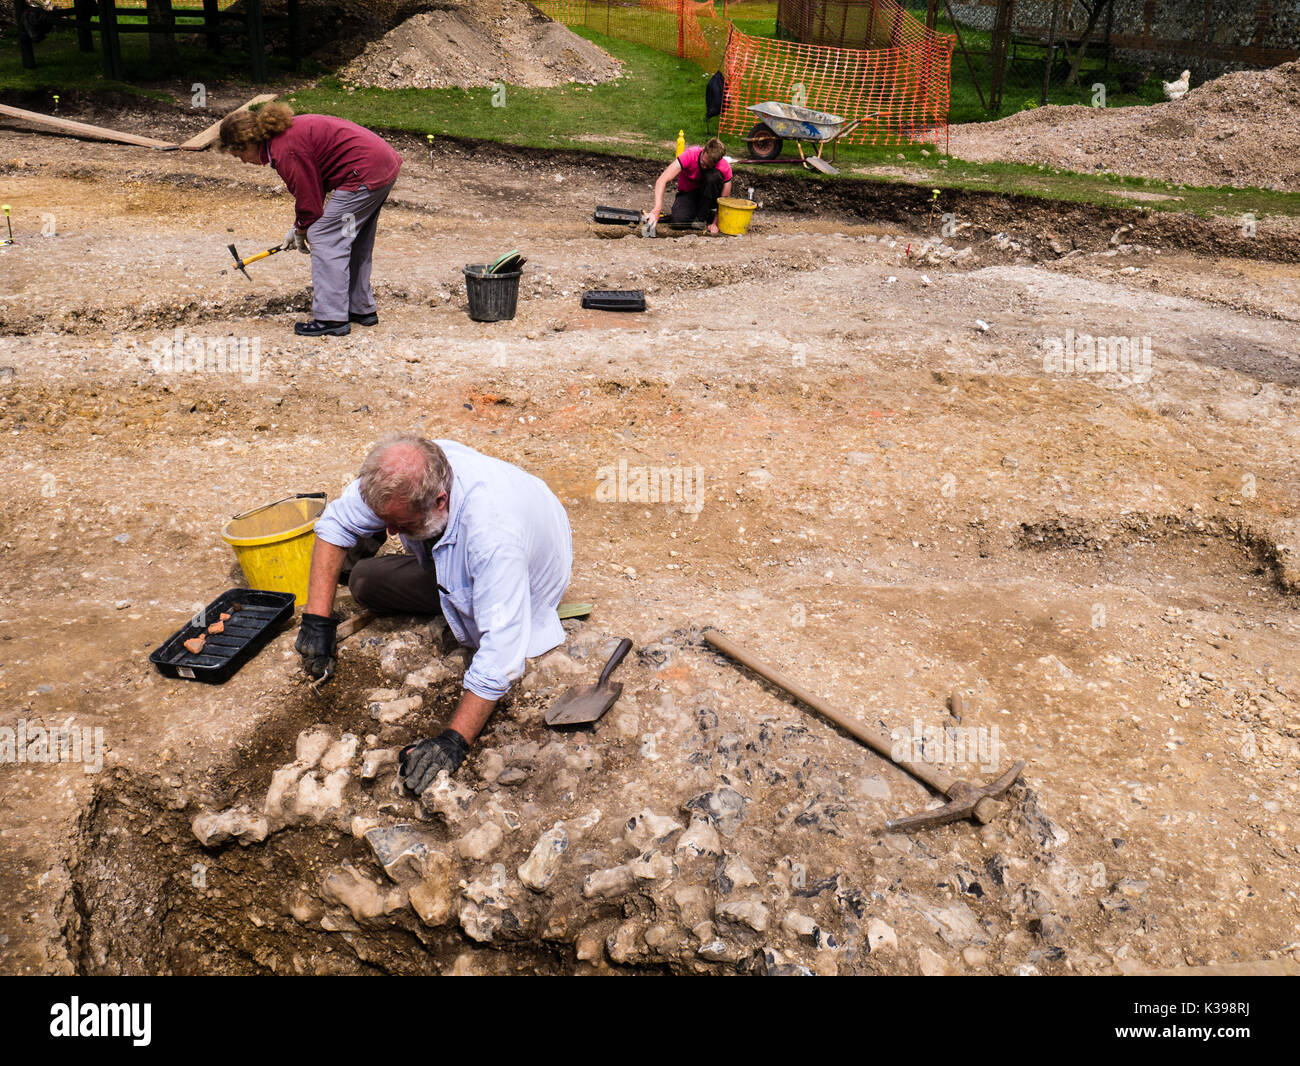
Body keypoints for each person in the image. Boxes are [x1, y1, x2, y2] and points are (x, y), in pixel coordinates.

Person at [295, 434, 573, 794]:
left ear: (440, 500)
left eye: (401, 525)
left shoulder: (493, 538)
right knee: (364, 581)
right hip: (475, 538)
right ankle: (426, 557)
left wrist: (453, 740)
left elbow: (500, 657)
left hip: (530, 578)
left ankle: (455, 584)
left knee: (481, 628)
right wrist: (317, 619)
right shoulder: (410, 472)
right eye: (386, 523)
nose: (391, 533)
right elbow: (336, 524)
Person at [218, 102, 403, 337]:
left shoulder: (285, 150)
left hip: (364, 173)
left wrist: (301, 229)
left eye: (239, 154)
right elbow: (315, 187)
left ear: (246, 143)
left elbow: (309, 201)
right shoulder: (284, 138)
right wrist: (299, 226)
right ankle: (360, 308)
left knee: (324, 237)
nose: (243, 161)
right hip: (380, 165)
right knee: (350, 237)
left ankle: (331, 318)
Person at [650, 137, 733, 235]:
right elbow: (662, 180)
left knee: (712, 177)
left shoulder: (724, 167)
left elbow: (724, 200)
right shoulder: (690, 155)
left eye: (708, 166)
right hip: (689, 194)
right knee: (678, 221)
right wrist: (657, 208)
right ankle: (703, 214)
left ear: (717, 162)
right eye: (703, 163)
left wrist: (715, 223)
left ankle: (701, 218)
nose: (704, 167)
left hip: (710, 196)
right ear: (703, 150)